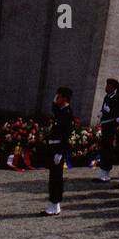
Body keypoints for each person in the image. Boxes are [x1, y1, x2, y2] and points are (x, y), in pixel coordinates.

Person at [42, 87, 73, 215]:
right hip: (54, 147)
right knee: (54, 177)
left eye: (59, 96)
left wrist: (60, 152)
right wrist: (55, 100)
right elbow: (54, 106)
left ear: (65, 98)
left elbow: (66, 134)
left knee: (56, 178)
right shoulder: (61, 110)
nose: (57, 98)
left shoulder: (67, 113)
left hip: (58, 148)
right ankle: (54, 205)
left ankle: (54, 204)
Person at [95, 77, 119, 184]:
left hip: (111, 126)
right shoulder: (107, 97)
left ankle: (106, 173)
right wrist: (102, 112)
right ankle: (102, 172)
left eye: (109, 85)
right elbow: (104, 107)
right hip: (105, 125)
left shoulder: (116, 98)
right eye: (106, 85)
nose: (106, 87)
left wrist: (109, 112)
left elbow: (117, 112)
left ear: (113, 87)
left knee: (108, 149)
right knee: (104, 148)